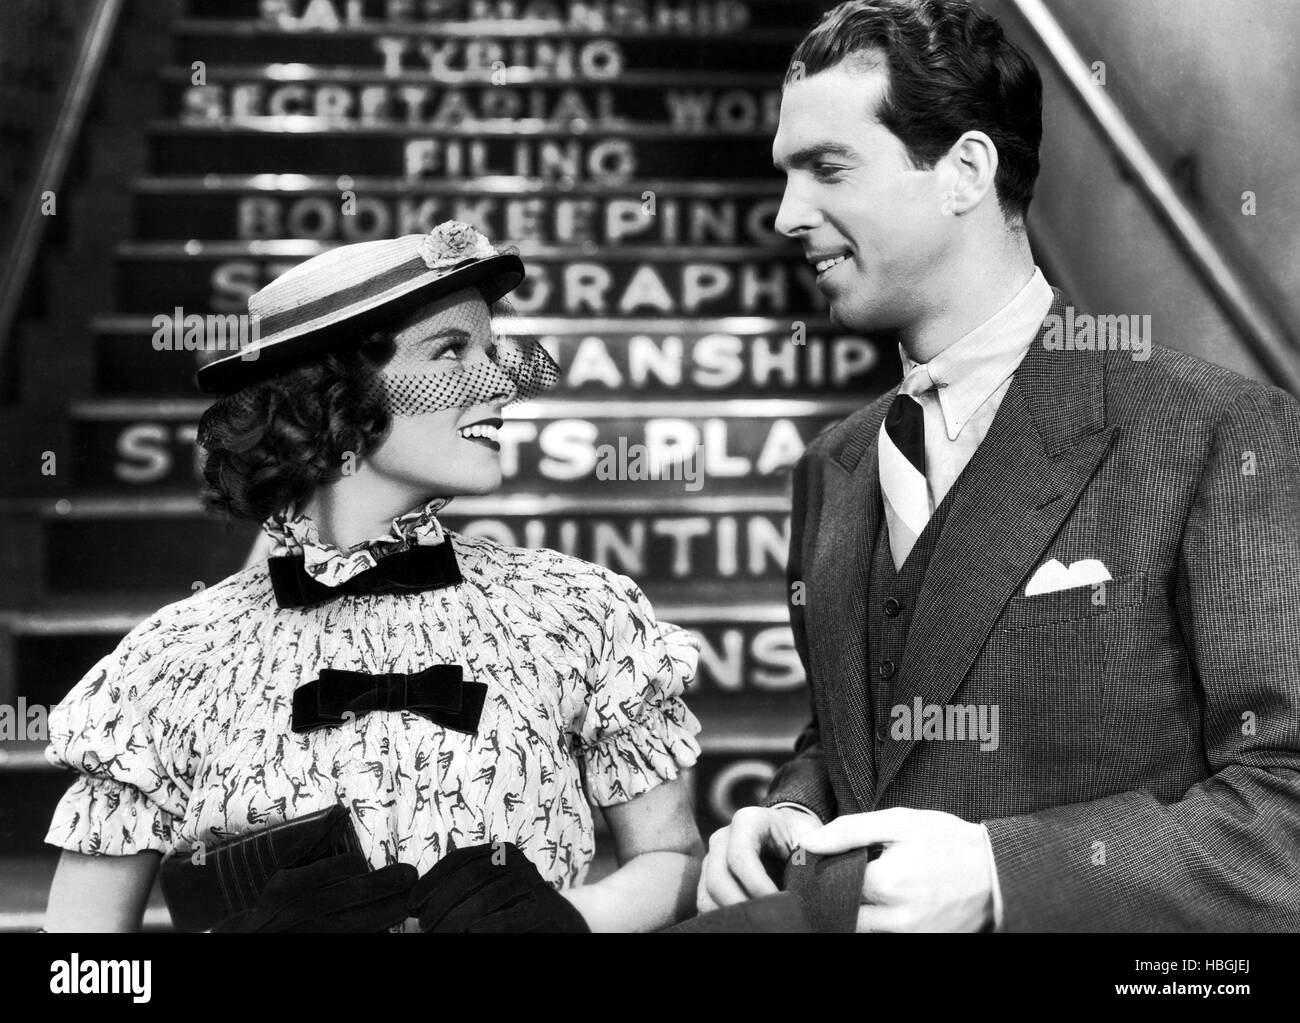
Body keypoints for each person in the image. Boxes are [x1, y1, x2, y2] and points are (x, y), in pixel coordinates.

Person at [700, 0, 1300, 931]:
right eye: (785, 175)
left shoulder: (1220, 430)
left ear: (967, 171)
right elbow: (859, 735)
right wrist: (792, 813)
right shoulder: (832, 466)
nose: (786, 215)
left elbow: (1287, 807)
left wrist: (1001, 873)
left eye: (826, 169)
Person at [43, 221, 705, 932]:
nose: (500, 385)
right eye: (451, 351)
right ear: (336, 397)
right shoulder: (168, 665)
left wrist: (575, 918)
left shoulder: (578, 612)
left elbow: (678, 864)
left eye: (492, 350)